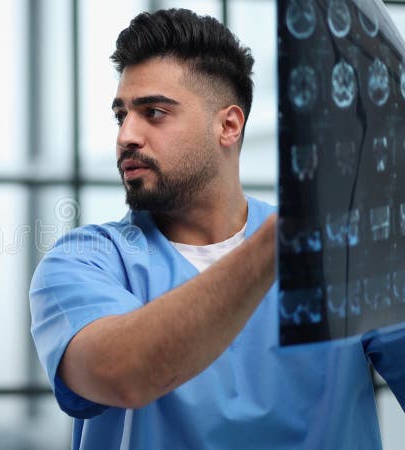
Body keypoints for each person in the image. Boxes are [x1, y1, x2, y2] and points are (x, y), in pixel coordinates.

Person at [30, 8, 405, 450]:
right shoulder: (84, 262)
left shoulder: (347, 248)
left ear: (228, 125)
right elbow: (123, 374)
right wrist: (298, 229)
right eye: (121, 115)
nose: (126, 135)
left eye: (153, 112)